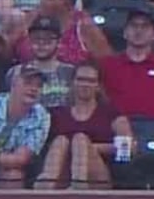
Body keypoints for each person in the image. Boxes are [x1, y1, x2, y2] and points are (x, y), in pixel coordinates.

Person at [36, 61, 132, 190]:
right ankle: (46, 184)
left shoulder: (111, 113)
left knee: (80, 139)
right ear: (72, 83)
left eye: (91, 81)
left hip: (98, 174)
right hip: (62, 172)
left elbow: (128, 148)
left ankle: (79, 185)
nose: (85, 85)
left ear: (98, 86)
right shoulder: (57, 114)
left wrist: (89, 148)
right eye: (80, 80)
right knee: (60, 140)